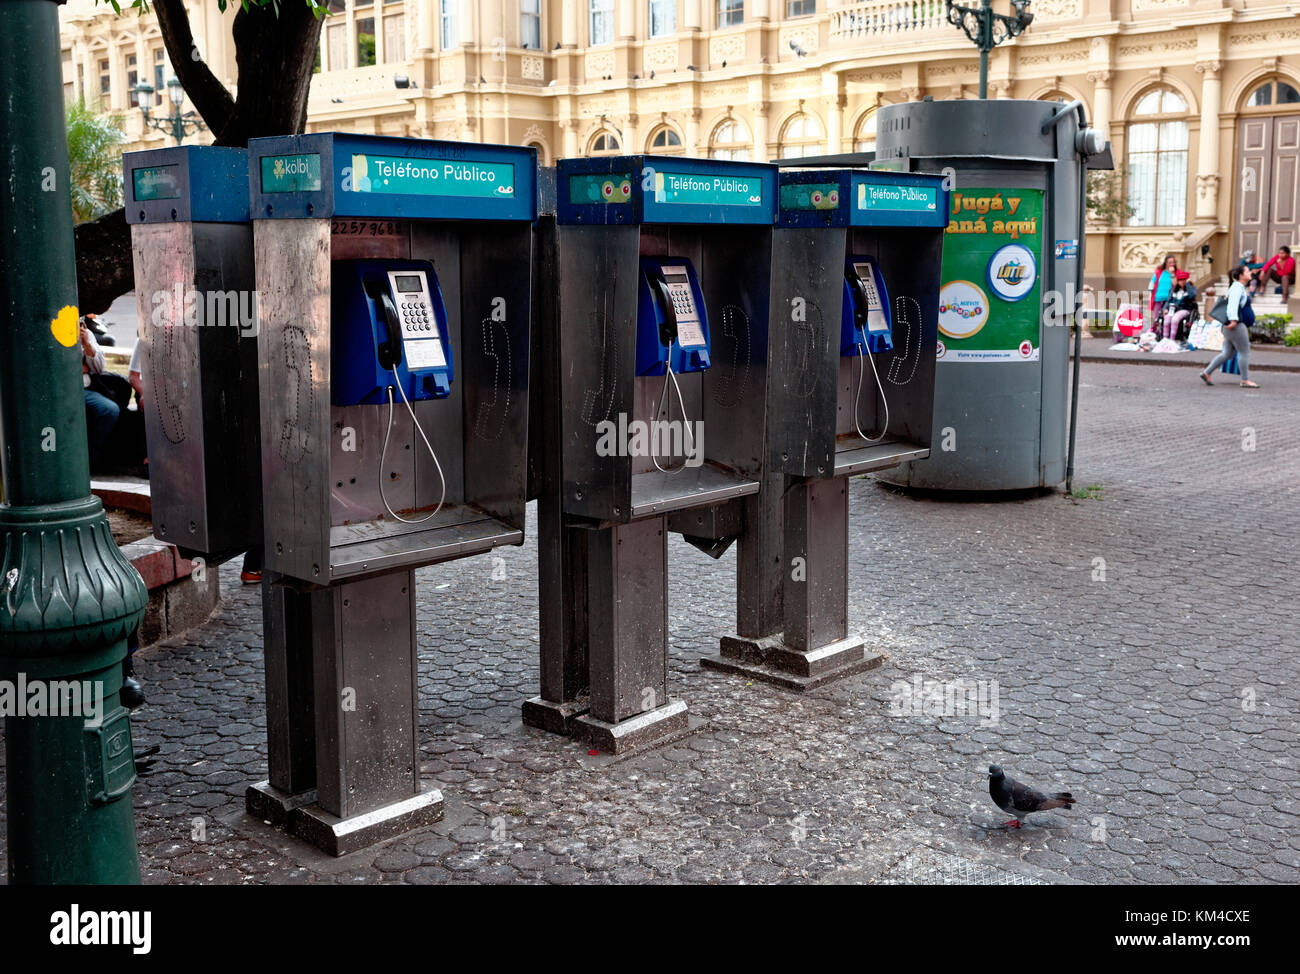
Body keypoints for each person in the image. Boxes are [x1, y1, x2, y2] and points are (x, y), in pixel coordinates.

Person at [1201, 264, 1259, 389]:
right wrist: (1233, 320)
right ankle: (1245, 380)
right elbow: (1232, 304)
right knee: (1244, 352)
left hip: (1231, 327)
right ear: (1241, 275)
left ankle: (1207, 373)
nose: (1250, 273)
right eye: (1247, 271)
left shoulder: (1238, 287)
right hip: (1236, 326)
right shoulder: (1237, 288)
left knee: (1227, 353)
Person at [81, 321, 119, 466]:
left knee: (109, 409)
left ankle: (90, 459)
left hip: (84, 389)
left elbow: (99, 368)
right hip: (60, 390)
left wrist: (87, 345)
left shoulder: (85, 333)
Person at [1161, 270, 1197, 342]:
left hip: (1185, 309)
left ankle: (1172, 340)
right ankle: (1165, 340)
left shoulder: (1191, 289)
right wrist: (1165, 309)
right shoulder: (1173, 290)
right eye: (1180, 280)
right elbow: (1168, 301)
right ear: (1177, 281)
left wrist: (1188, 284)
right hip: (1172, 309)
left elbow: (1192, 295)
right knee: (1166, 320)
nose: (1182, 282)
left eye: (1184, 280)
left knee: (1175, 319)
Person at [1148, 253, 1178, 330]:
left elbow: (1176, 285)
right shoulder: (1159, 272)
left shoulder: (1176, 273)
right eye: (1170, 262)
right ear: (1166, 263)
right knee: (1155, 317)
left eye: (1173, 262)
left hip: (1169, 300)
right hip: (1158, 298)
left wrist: (1172, 273)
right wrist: (1150, 293)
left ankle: (1164, 333)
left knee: (1167, 318)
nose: (1172, 264)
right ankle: (1154, 331)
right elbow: (1152, 282)